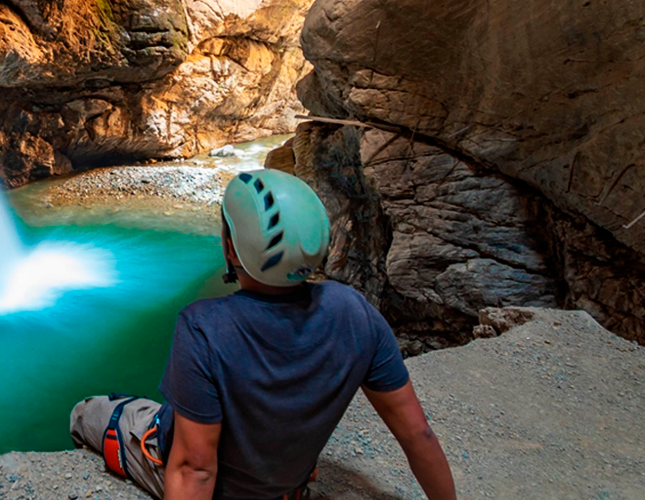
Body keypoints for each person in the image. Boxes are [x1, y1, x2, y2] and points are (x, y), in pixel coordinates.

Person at [70, 169, 458, 500]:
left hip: (220, 486)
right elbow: (418, 435)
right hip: (284, 484)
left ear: (233, 249)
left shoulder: (204, 326)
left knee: (89, 411)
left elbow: (195, 469)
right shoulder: (354, 311)